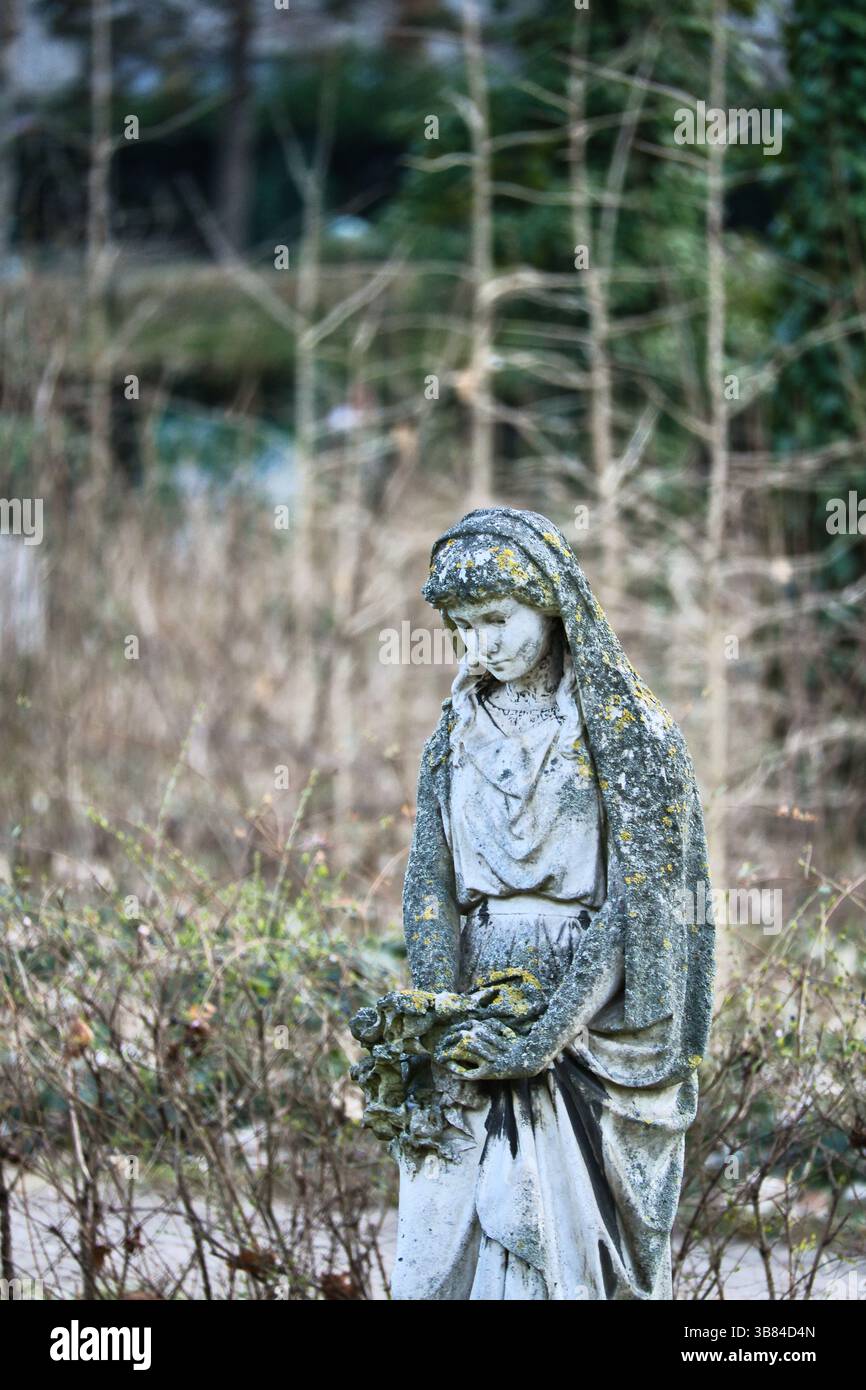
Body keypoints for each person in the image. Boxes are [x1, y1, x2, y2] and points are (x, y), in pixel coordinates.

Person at [387, 506, 716, 1301]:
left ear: (554, 604)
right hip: (475, 1007)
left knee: (549, 1254)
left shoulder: (628, 737)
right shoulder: (455, 731)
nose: (481, 645)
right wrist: (440, 1011)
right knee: (439, 1259)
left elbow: (643, 906)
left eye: (498, 620)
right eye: (463, 628)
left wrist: (543, 1035)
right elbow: (428, 881)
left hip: (587, 1023)